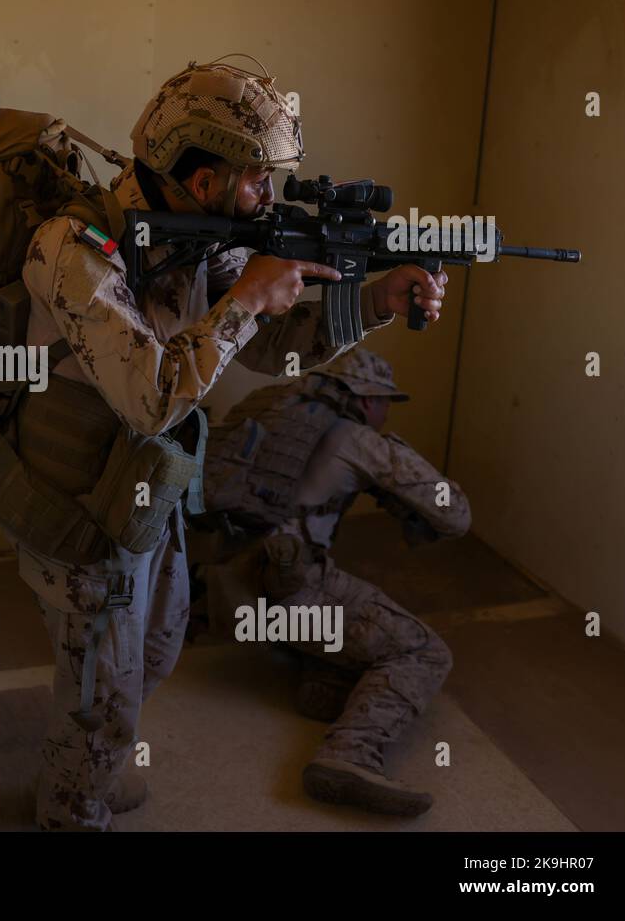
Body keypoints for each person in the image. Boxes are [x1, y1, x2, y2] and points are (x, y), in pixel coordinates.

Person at [0, 56, 449, 831]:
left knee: (157, 648)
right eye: (259, 178)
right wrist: (246, 297)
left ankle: (89, 769)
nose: (270, 196)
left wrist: (374, 300)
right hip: (79, 513)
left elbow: (270, 348)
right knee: (100, 704)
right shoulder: (75, 248)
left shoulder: (202, 242)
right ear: (203, 182)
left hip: (143, 500)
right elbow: (151, 398)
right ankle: (71, 806)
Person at [191, 349, 471, 816]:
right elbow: (457, 515)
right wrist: (394, 457)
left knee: (341, 600)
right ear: (365, 400)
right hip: (286, 597)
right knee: (423, 652)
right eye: (386, 403)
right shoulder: (356, 438)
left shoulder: (267, 407)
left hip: (220, 592)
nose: (386, 413)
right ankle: (349, 756)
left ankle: (324, 675)